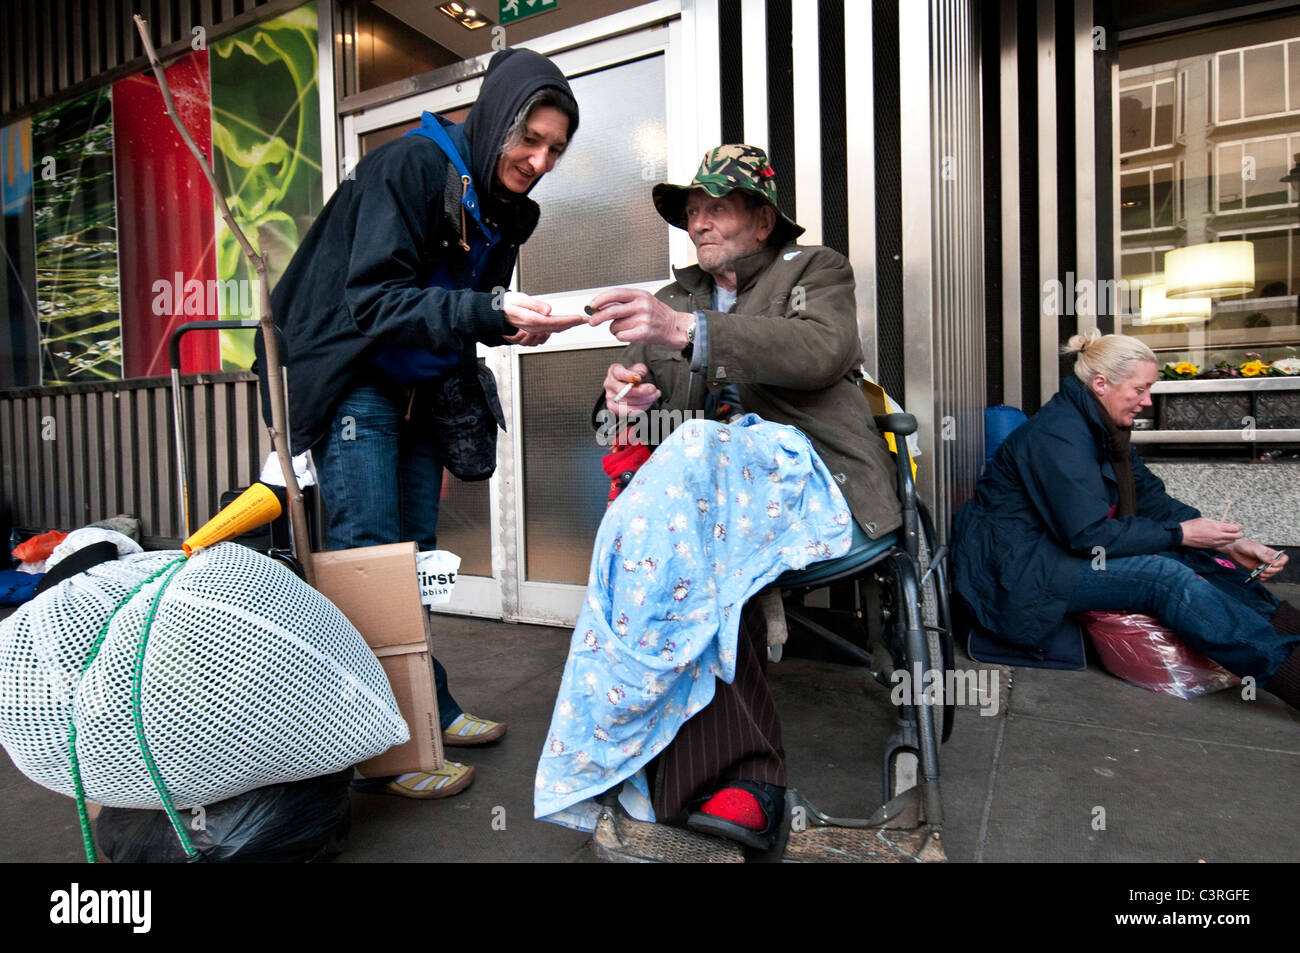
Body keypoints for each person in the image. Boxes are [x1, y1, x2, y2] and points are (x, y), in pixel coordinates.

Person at [536, 145, 902, 849]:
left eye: (716, 208)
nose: (698, 223)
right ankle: (688, 759)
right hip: (708, 507)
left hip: (811, 481)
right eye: (691, 212)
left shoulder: (814, 272)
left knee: (696, 468)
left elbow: (823, 351)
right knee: (646, 530)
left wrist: (689, 334)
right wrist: (624, 404)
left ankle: (730, 765)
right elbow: (613, 420)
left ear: (762, 221)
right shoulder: (675, 297)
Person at [262, 49, 583, 798]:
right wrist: (487, 310)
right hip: (356, 385)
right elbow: (372, 303)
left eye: (556, 151)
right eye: (528, 138)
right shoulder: (409, 167)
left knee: (411, 568)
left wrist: (509, 324)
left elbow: (455, 312)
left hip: (418, 394)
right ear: (496, 116)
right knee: (369, 562)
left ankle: (425, 704)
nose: (539, 160)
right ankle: (386, 749)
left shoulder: (504, 207)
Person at [952, 329, 1300, 710]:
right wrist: (1180, 534)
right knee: (1165, 578)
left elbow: (1150, 498)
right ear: (1101, 384)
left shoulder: (1104, 428)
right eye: (1140, 389)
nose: (1147, 401)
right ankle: (1289, 672)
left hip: (1057, 552)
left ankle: (1286, 629)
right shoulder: (1058, 436)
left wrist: (1226, 543)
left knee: (1194, 557)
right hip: (1022, 570)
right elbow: (1087, 536)